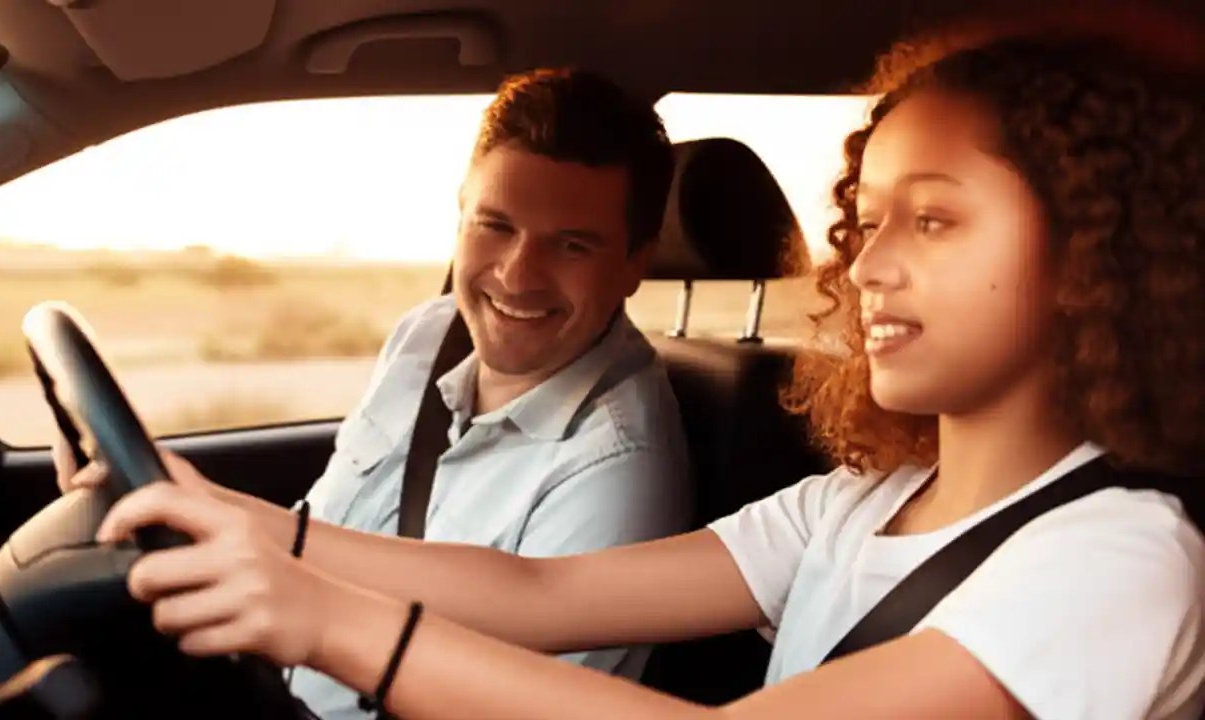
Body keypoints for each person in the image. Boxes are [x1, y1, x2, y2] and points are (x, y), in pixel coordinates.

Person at [83, 7, 1205, 719]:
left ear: (1089, 254)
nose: (864, 267)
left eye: (934, 222)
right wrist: (247, 525)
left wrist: (324, 620)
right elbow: (543, 591)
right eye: (864, 221)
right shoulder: (855, 507)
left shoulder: (1118, 560)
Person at [55, 67, 691, 718]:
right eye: (494, 226)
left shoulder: (619, 466)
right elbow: (325, 531)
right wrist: (196, 508)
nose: (517, 275)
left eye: (572, 245)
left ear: (636, 262)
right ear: (460, 211)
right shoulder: (430, 334)